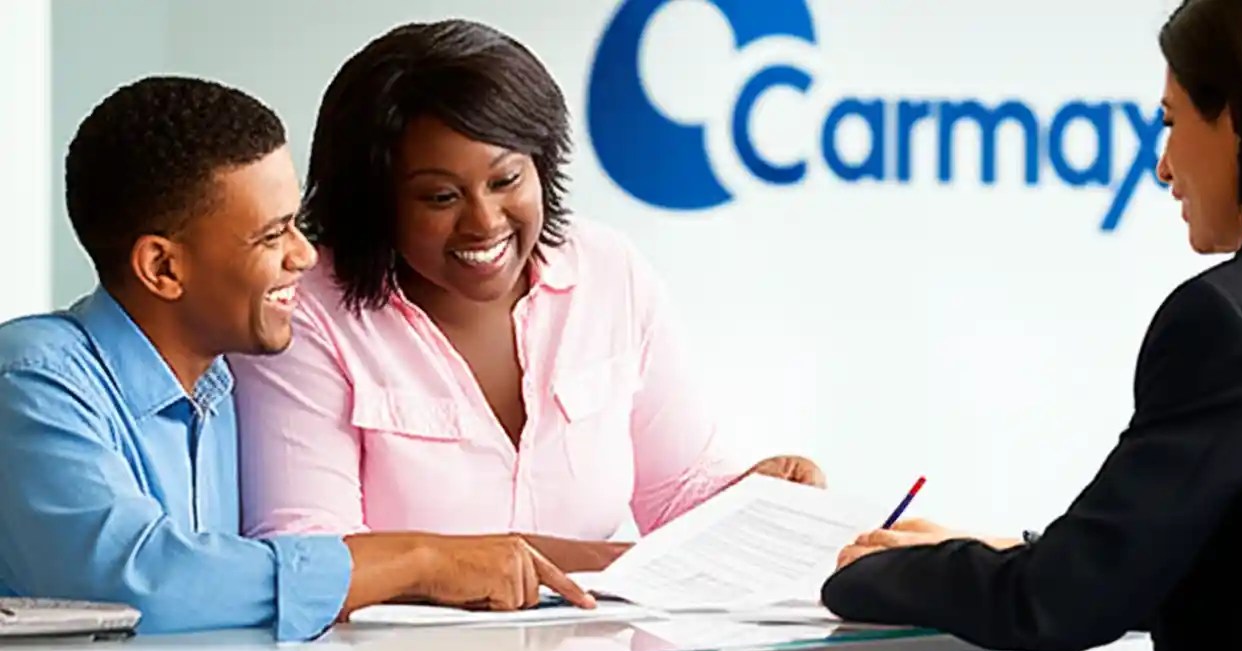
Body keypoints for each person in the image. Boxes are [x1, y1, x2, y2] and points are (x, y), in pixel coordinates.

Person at [0, 76, 593, 651]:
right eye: (270, 236)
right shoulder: (33, 379)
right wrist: (421, 561)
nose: (304, 256)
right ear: (163, 268)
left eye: (298, 225)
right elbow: (137, 584)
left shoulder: (232, 387)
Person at [228, 20, 824, 565]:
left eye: (507, 179)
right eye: (441, 197)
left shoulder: (608, 271)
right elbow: (307, 551)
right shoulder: (301, 307)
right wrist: (580, 562)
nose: (484, 222)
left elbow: (674, 491)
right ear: (375, 200)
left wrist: (752, 502)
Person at [822, 0, 1242, 651]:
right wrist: (1014, 552)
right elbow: (1237, 568)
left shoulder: (1224, 321)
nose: (1161, 169)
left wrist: (868, 576)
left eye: (1171, 121)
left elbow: (1066, 601)